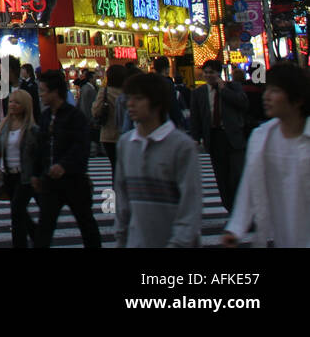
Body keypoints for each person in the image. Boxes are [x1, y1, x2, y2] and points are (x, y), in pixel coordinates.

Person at [222, 63, 310, 248]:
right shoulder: (262, 137)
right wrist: (236, 228)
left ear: (298, 98)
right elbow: (249, 185)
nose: (266, 96)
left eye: (275, 91)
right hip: (285, 239)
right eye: (267, 89)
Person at [113, 72, 202, 248]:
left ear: (157, 103)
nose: (130, 104)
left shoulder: (181, 146)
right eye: (129, 98)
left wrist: (178, 243)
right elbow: (122, 201)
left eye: (138, 99)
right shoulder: (126, 144)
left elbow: (190, 206)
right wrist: (121, 239)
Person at [33, 69, 101, 248]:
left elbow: (81, 146)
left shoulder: (74, 116)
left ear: (55, 92)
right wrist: (36, 172)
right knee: (45, 227)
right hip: (51, 181)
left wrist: (64, 165)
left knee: (86, 224)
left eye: (43, 91)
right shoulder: (46, 116)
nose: (41, 95)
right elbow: (40, 146)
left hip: (74, 180)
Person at [189, 59, 247, 211]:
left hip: (232, 137)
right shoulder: (198, 93)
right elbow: (196, 117)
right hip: (214, 138)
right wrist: (195, 137)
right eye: (206, 72)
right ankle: (229, 207)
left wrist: (224, 90)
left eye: (212, 72)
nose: (208, 75)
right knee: (221, 177)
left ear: (218, 73)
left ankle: (240, 208)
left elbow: (243, 103)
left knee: (236, 175)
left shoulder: (232, 86)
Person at [0, 89, 39, 247]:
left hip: (24, 176)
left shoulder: (31, 128)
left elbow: (37, 153)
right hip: (8, 174)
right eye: (10, 101)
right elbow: (0, 146)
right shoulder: (5, 124)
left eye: (17, 102)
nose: (12, 105)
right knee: (20, 213)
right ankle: (39, 236)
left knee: (16, 212)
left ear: (25, 105)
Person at [93, 64, 128, 176]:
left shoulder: (105, 91)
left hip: (108, 135)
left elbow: (96, 111)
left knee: (114, 166)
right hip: (125, 134)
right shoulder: (127, 92)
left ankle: (117, 188)